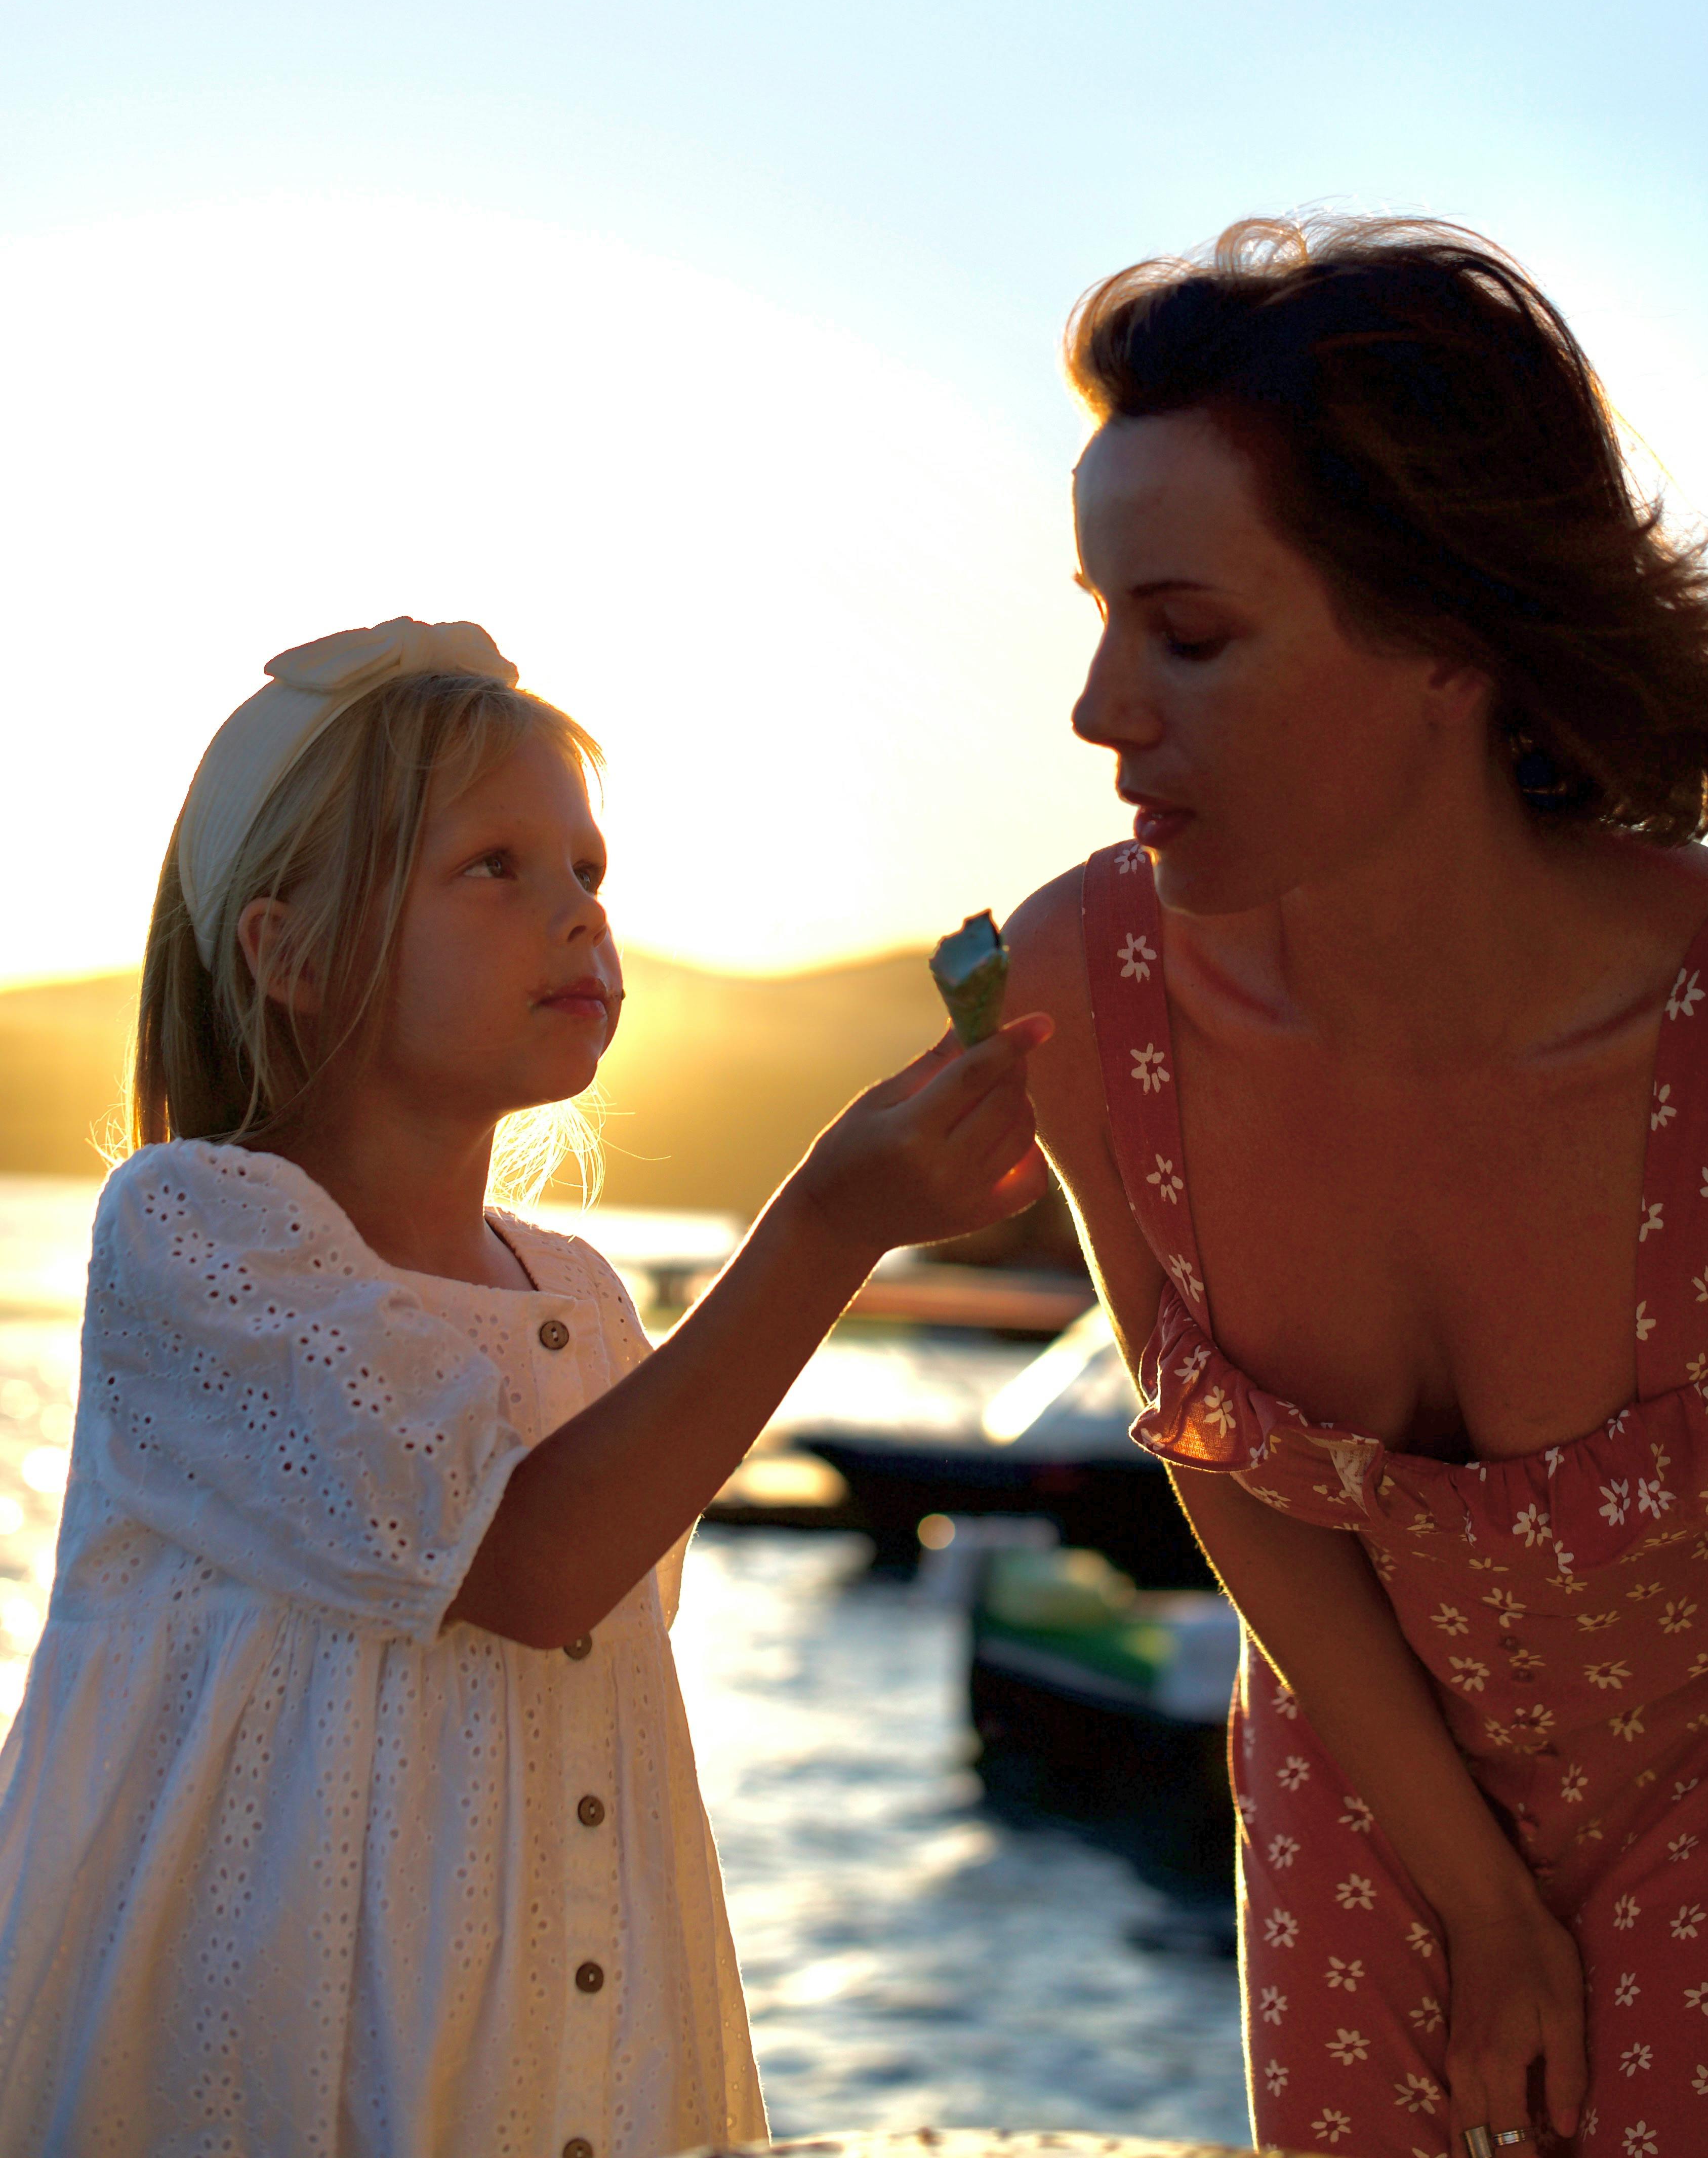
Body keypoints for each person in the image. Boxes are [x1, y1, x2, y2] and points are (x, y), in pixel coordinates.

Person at [1004, 219, 1708, 2158]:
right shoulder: (1087, 999)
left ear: (1449, 643)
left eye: (1191, 631)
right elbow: (1220, 1465)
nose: (1101, 708)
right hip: (1362, 1779)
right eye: (1101, 613)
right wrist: (1477, 1901)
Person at [0, 618, 1048, 2158]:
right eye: (495, 866)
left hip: (551, 2049)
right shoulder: (193, 1233)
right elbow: (534, 1563)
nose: (573, 911)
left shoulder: (580, 1295)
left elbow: (592, 1668)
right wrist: (830, 1221)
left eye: (590, 871)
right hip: (275, 2059)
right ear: (285, 953)